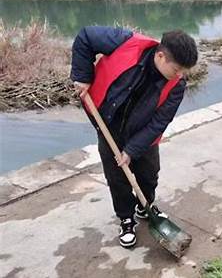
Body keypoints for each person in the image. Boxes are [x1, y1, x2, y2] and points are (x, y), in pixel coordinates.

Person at [70, 26, 198, 248]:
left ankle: (144, 205)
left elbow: (160, 121)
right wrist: (82, 76)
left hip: (144, 134)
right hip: (109, 126)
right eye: (176, 69)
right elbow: (86, 37)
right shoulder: (126, 43)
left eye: (183, 72)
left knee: (149, 174)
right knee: (117, 178)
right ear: (161, 56)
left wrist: (131, 150)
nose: (179, 75)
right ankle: (126, 218)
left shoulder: (177, 85)